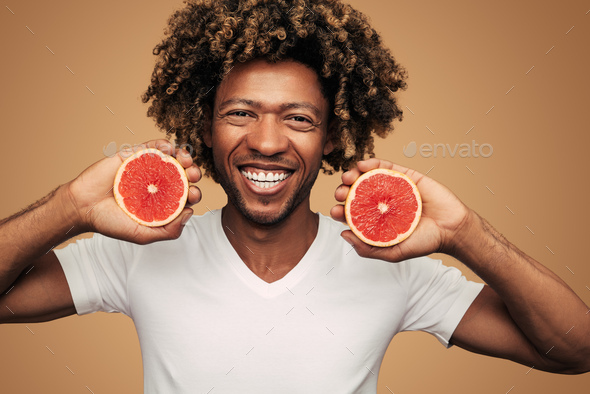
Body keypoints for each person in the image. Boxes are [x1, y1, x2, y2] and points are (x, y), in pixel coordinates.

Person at [1, 0, 588, 392]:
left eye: (298, 119)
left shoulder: (393, 268)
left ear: (332, 135)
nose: (266, 141)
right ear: (206, 128)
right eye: (239, 113)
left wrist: (466, 235)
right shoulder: (136, 252)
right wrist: (71, 208)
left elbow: (574, 350)